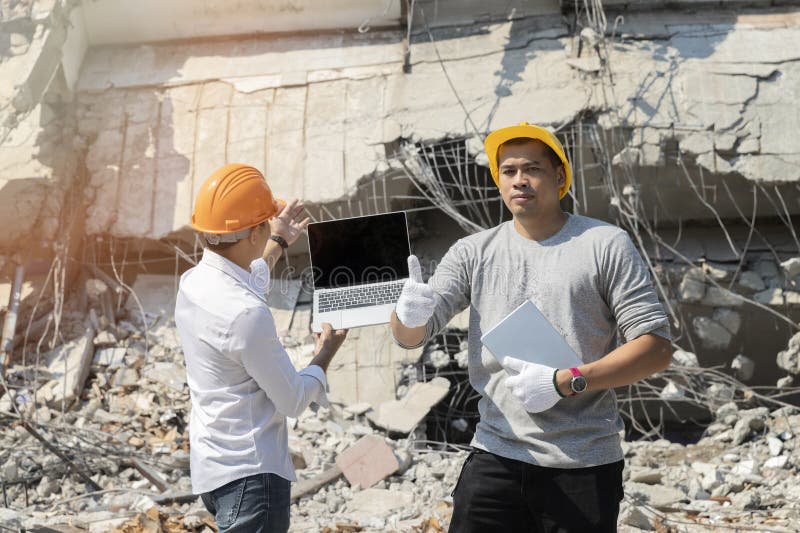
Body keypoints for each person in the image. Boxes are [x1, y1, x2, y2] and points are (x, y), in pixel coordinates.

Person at [391, 123, 672, 532]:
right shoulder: (473, 252)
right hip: (494, 453)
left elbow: (656, 347)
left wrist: (567, 381)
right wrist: (407, 316)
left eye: (532, 168)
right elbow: (410, 336)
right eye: (508, 171)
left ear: (559, 177)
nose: (519, 179)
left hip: (583, 463)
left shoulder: (604, 245)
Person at [175, 163, 348, 533]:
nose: (270, 227)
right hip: (252, 479)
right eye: (265, 224)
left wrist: (279, 240)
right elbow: (293, 400)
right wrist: (325, 353)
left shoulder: (192, 283)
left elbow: (245, 282)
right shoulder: (246, 314)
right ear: (254, 232)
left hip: (214, 469)